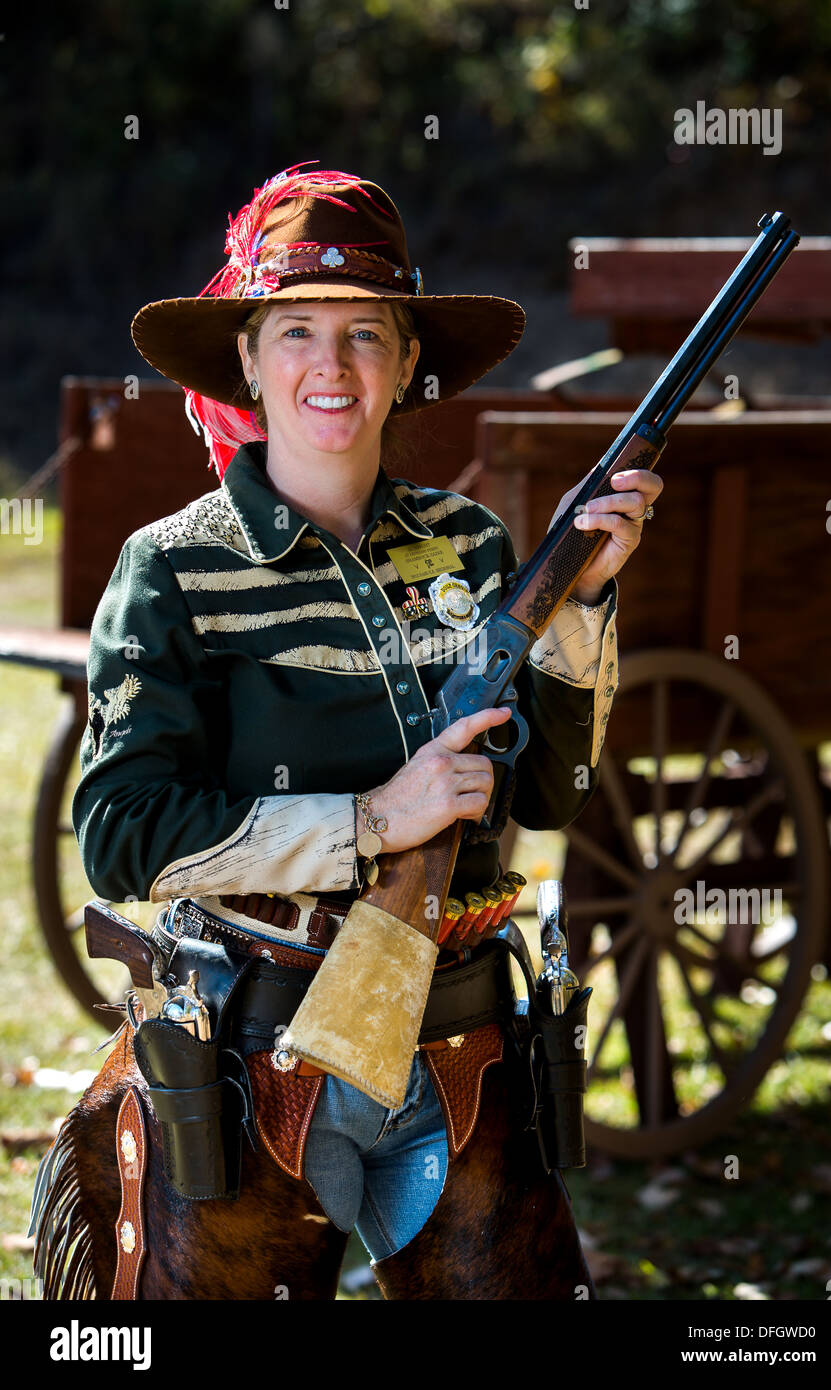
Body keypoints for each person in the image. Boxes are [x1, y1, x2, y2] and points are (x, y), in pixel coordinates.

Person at [32, 162, 662, 1301]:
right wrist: (372, 821)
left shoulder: (470, 543)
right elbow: (121, 838)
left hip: (466, 1047)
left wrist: (581, 607)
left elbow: (550, 796)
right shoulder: (170, 567)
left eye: (367, 332)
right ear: (247, 358)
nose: (331, 366)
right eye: (296, 331)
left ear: (410, 361)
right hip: (250, 1061)